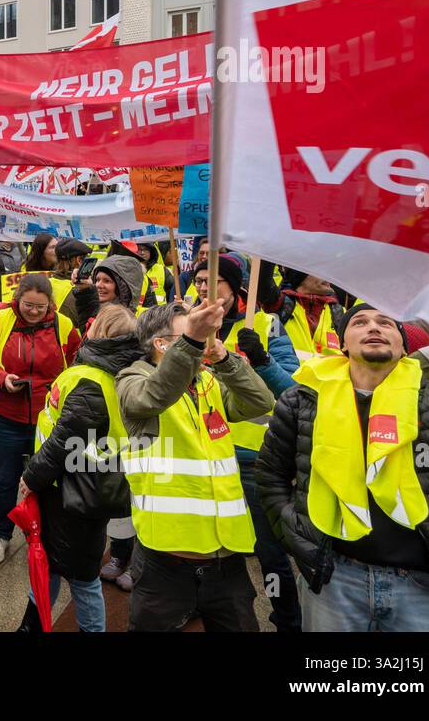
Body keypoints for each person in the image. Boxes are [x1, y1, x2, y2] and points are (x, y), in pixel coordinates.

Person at [257, 308, 429, 632]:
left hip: (424, 586)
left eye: (386, 323)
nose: (374, 326)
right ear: (342, 344)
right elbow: (270, 474)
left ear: (404, 348)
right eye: (360, 322)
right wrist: (296, 534)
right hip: (335, 582)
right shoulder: (303, 400)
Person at [115, 301, 276, 631]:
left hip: (226, 556)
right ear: (162, 344)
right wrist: (192, 341)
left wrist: (225, 359)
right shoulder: (132, 378)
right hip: (165, 559)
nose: (205, 339)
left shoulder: (208, 383)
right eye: (192, 333)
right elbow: (154, 395)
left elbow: (261, 402)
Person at [194, 253, 302, 630]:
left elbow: (292, 387)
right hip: (206, 454)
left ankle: (286, 616)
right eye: (200, 282)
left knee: (269, 553)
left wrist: (260, 357)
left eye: (213, 282)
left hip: (255, 459)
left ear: (235, 286)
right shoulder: (189, 325)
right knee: (208, 543)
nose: (204, 288)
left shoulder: (266, 324)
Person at [20, 305, 140, 633]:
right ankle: (34, 621)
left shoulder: (93, 380)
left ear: (99, 331)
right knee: (50, 567)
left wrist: (31, 479)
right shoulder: (107, 371)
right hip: (76, 488)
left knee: (83, 579)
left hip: (73, 494)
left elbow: (61, 441)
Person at [0, 273, 80, 564]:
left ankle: (46, 537)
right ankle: (0, 533)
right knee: (3, 479)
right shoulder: (0, 320)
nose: (33, 311)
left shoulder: (65, 326)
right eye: (28, 305)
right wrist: (0, 377)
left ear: (51, 305)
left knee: (48, 480)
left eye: (40, 307)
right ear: (17, 299)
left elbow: (78, 366)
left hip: (48, 420)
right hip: (4, 416)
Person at [70, 253, 144, 333]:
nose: (98, 285)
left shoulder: (139, 320)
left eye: (107, 281)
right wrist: (84, 289)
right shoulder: (97, 309)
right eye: (97, 280)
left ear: (123, 287)